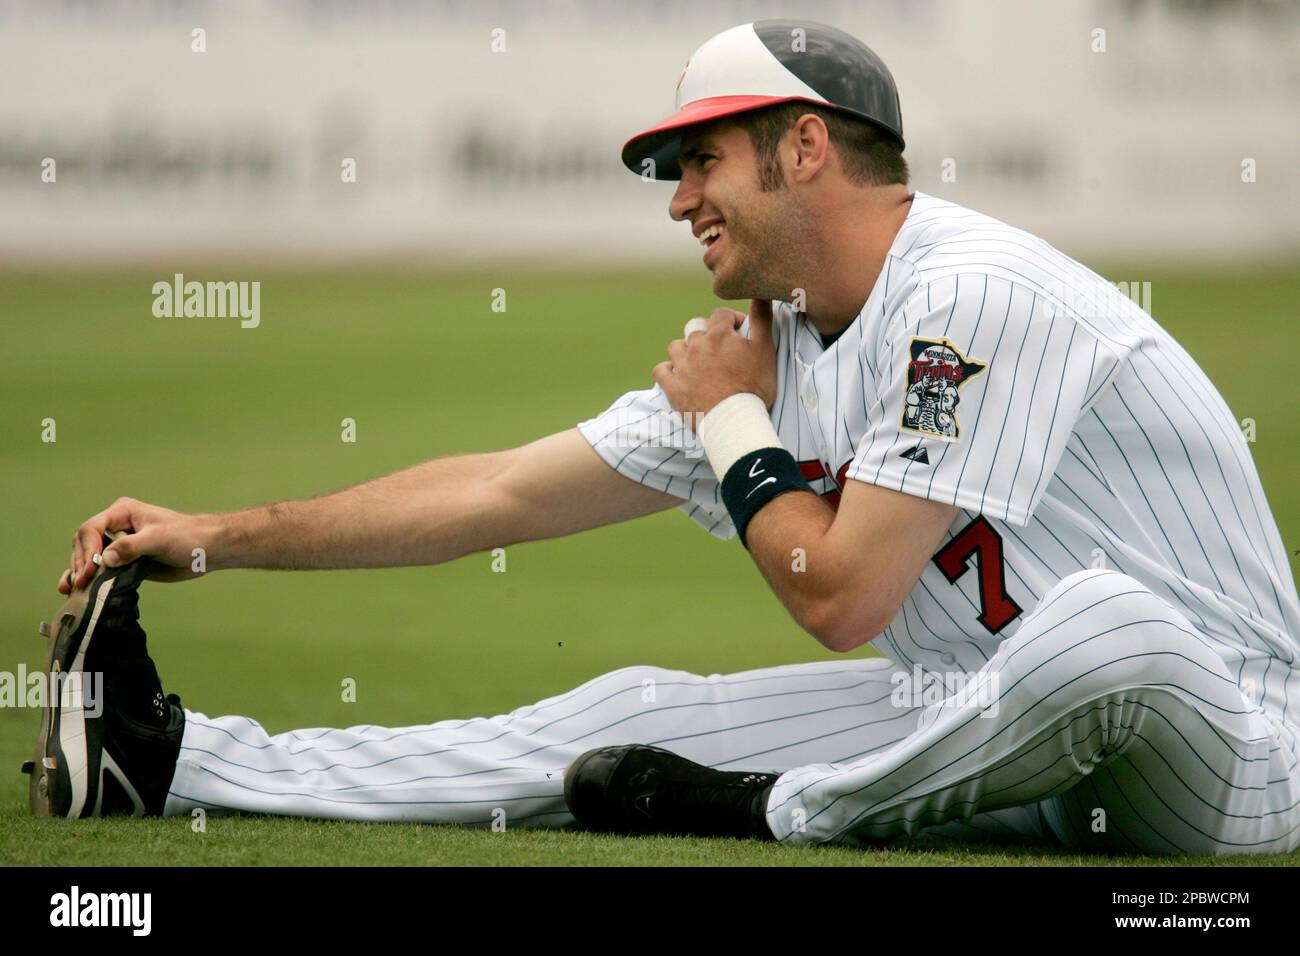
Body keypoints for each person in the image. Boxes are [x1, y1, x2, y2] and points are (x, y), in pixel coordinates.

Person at [27, 20, 1300, 855]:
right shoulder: (767, 349)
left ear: (804, 147)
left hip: (1229, 753)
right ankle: (172, 761)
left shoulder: (971, 295)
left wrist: (734, 422)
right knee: (626, 707)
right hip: (971, 727)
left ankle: (779, 814)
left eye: (701, 161)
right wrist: (216, 538)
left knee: (1104, 623)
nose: (679, 199)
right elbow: (494, 493)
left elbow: (844, 594)